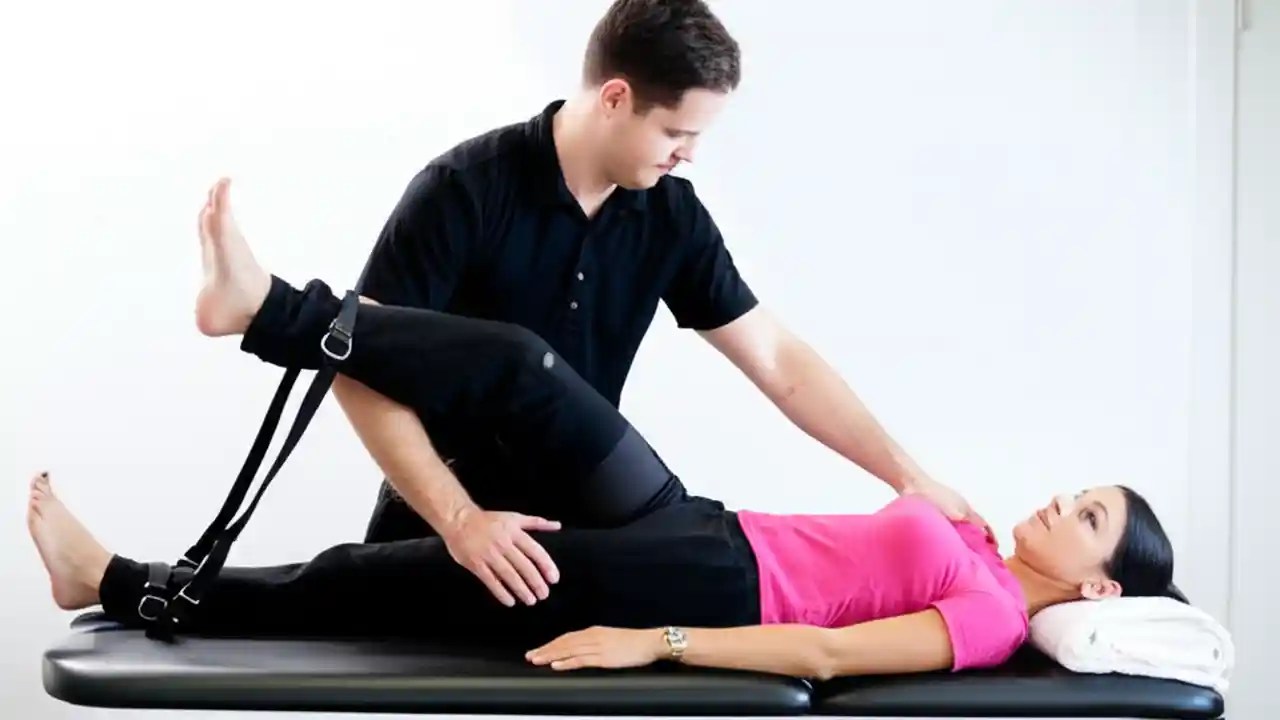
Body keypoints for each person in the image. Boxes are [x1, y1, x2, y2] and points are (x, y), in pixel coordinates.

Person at [26, 178, 1181, 679]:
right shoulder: (978, 544)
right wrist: (920, 479)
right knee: (529, 366)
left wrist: (653, 642)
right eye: (1077, 491)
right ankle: (273, 310)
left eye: (1085, 518)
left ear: (1096, 591)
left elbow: (823, 656)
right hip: (702, 532)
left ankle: (122, 581)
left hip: (703, 589)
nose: (1056, 503)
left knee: (397, 581)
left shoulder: (983, 617)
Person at [333, 0, 988, 611]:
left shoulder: (671, 215)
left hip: (583, 529)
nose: (690, 153)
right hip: (447, 519)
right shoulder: (464, 191)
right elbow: (359, 364)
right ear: (616, 98)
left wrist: (908, 479)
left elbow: (778, 360)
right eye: (676, 131)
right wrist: (458, 520)